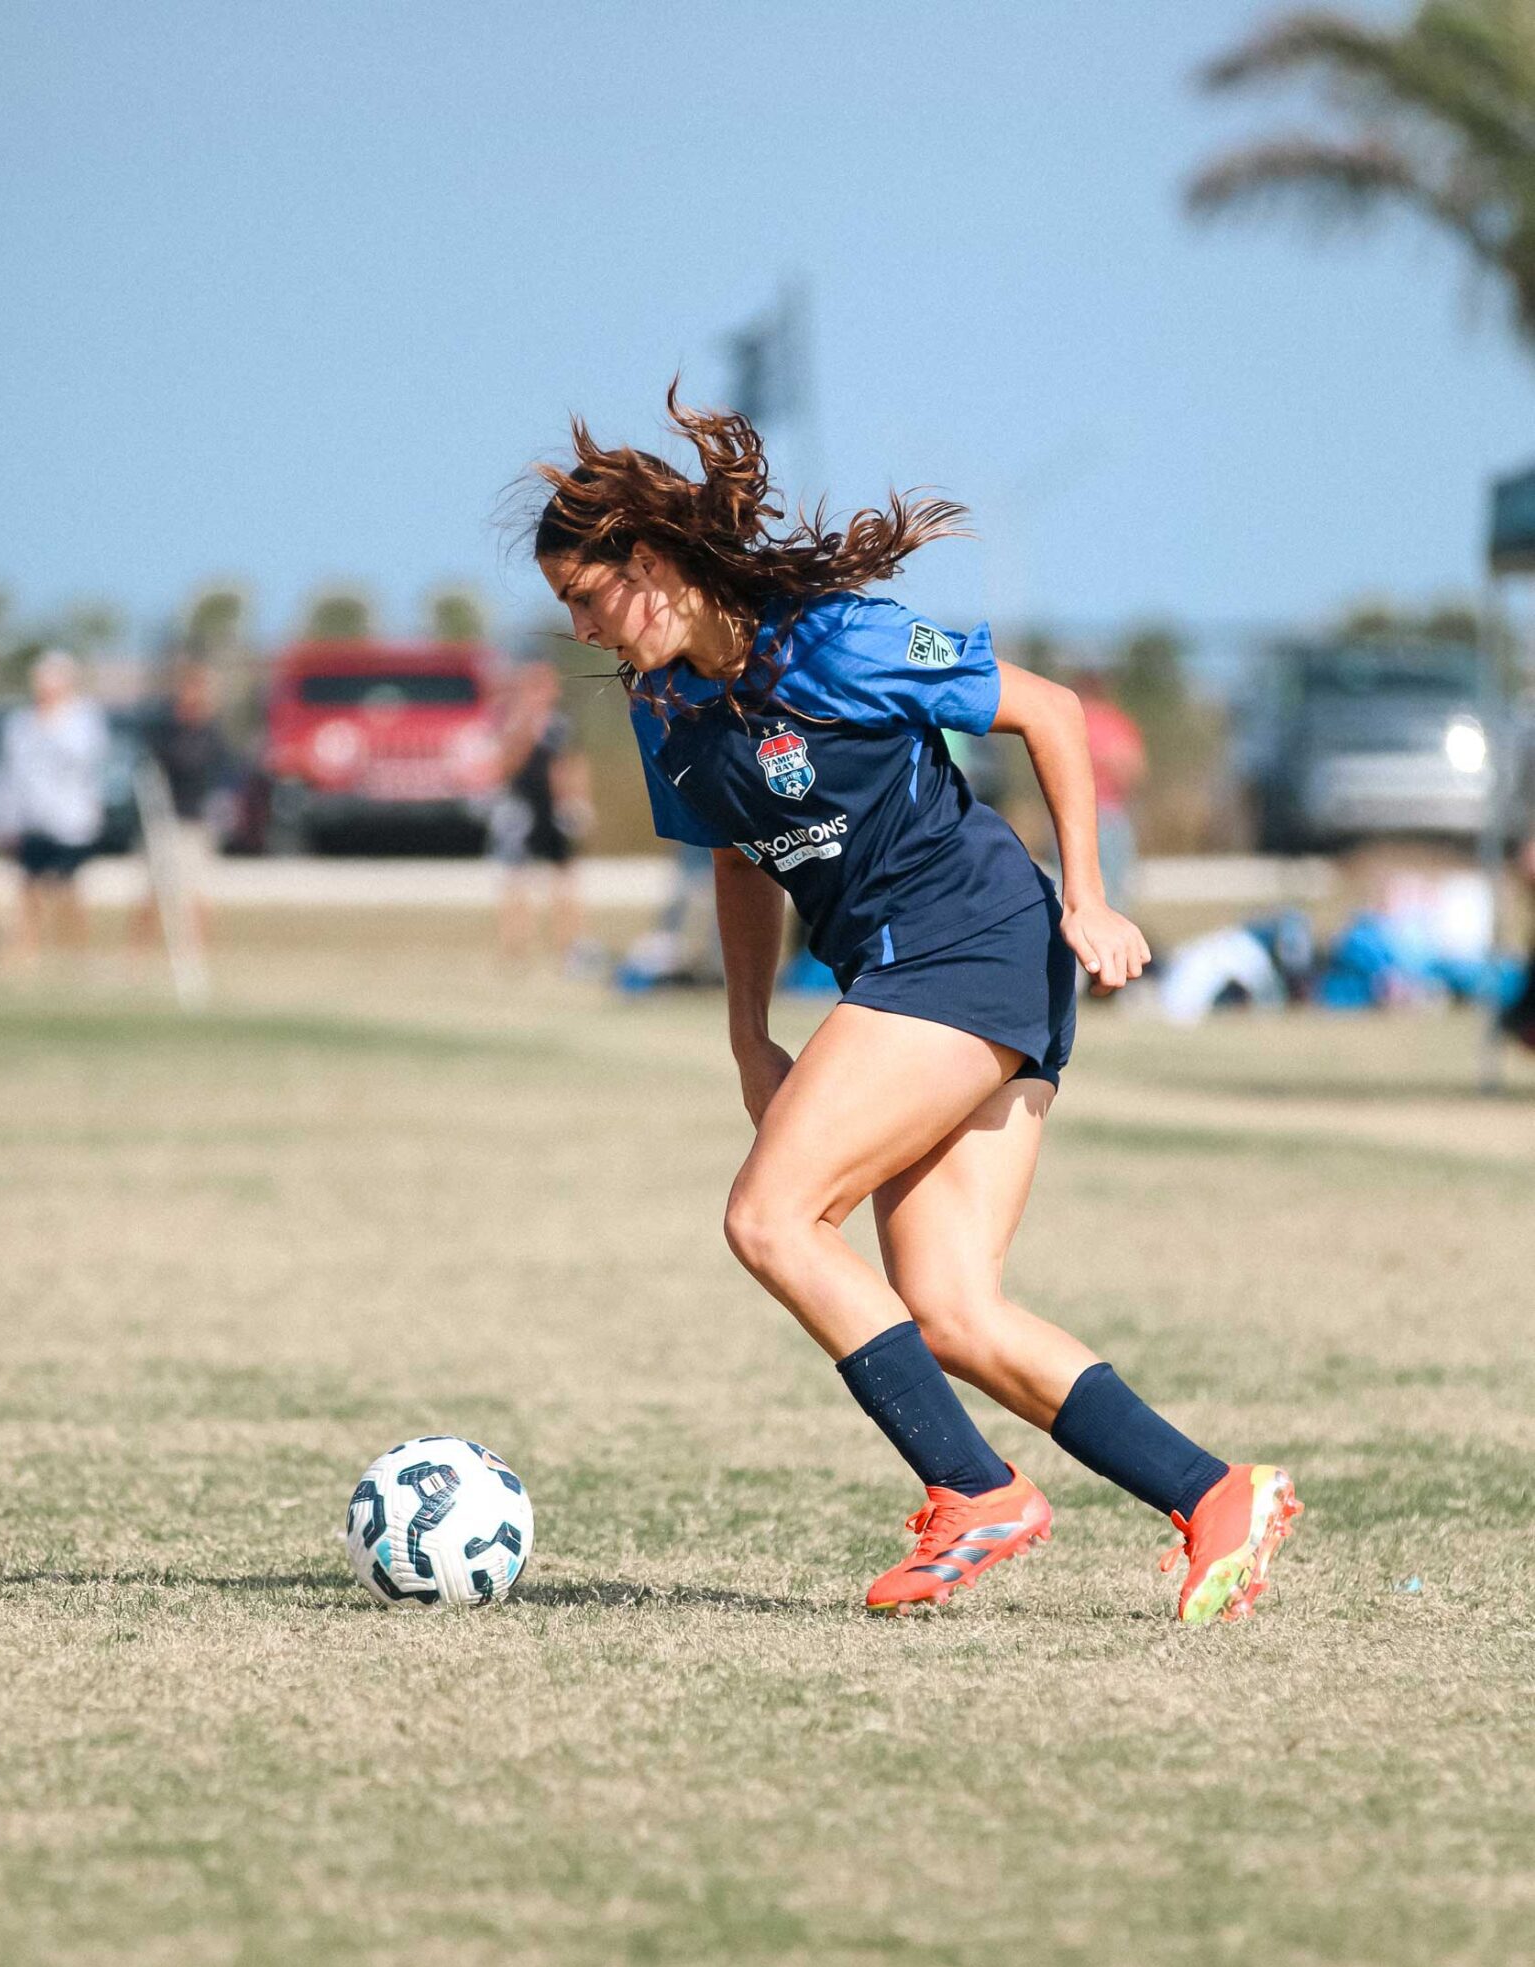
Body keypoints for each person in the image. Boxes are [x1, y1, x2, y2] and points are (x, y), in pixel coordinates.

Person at [530, 389, 1301, 1626]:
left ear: (655, 562)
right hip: (926, 970)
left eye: (587, 595)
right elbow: (738, 858)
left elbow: (1049, 711)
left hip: (974, 942)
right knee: (947, 1307)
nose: (579, 627)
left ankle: (975, 1490)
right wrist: (747, 1034)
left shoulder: (834, 642)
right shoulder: (664, 707)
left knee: (773, 1217)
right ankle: (1217, 1493)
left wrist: (1089, 896)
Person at [0, 649, 109, 967]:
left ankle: (77, 953)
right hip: (30, 819)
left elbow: (88, 759)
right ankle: (27, 951)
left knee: (67, 886)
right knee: (29, 885)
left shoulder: (83, 719)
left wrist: (53, 722)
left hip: (71, 821)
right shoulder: (19, 724)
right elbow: (4, 775)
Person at [489, 660, 593, 963]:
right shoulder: (511, 722)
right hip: (521, 806)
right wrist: (526, 724)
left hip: (555, 808)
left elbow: (572, 763)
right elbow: (504, 765)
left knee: (565, 877)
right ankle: (514, 947)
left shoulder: (562, 725)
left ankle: (568, 945)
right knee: (515, 877)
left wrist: (579, 801)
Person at [130, 656, 230, 954]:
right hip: (165, 820)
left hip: (195, 821)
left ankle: (195, 952)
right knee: (156, 891)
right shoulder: (166, 731)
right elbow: (151, 767)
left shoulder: (211, 734)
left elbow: (220, 773)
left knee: (197, 892)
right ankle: (138, 953)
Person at [1072, 668, 1146, 915]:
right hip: (1097, 814)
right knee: (1106, 893)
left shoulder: (1075, 720)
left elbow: (1131, 766)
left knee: (1096, 890)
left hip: (1100, 815)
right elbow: (1134, 767)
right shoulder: (1116, 722)